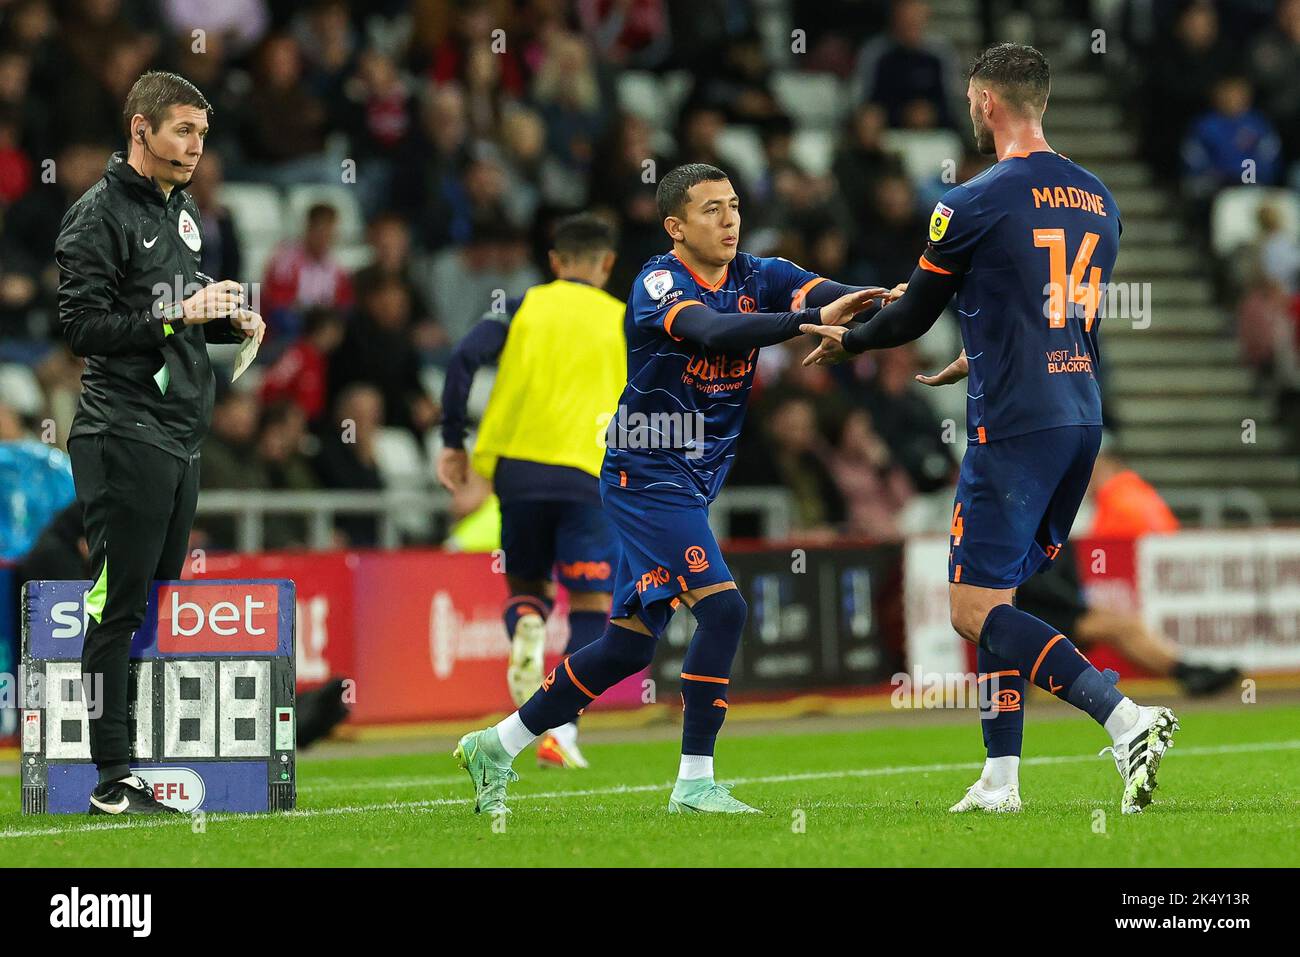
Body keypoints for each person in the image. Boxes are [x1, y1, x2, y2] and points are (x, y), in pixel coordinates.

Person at [801, 44, 1179, 816]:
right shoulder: (1101, 198)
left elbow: (909, 315)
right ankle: (1001, 778)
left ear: (983, 103)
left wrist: (852, 339)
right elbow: (1058, 311)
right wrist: (986, 356)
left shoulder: (970, 200)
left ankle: (1126, 717)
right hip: (1078, 413)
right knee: (999, 598)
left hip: (1014, 425)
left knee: (971, 610)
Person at [454, 162, 887, 816]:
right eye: (711, 209)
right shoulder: (658, 280)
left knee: (627, 645)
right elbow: (712, 331)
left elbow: (843, 295)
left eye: (735, 204)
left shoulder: (760, 274)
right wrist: (804, 321)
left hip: (690, 479)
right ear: (675, 227)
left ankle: (498, 743)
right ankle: (693, 782)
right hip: (645, 472)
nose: (730, 218)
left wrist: (909, 293)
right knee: (724, 609)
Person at [54, 70, 264, 816]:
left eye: (202, 135)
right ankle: (113, 777)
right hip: (122, 432)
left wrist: (223, 316)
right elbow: (82, 328)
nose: (195, 147)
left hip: (177, 437)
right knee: (119, 604)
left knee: (147, 603)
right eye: (182, 130)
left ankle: (126, 762)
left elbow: (167, 311)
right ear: (139, 129)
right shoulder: (97, 215)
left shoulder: (179, 214)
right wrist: (183, 311)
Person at [438, 214, 626, 769]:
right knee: (592, 603)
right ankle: (561, 727)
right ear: (607, 264)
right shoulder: (625, 318)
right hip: (588, 471)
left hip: (517, 470)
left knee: (527, 586)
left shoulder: (519, 305)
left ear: (553, 261)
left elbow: (463, 357)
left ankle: (527, 622)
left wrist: (454, 439)